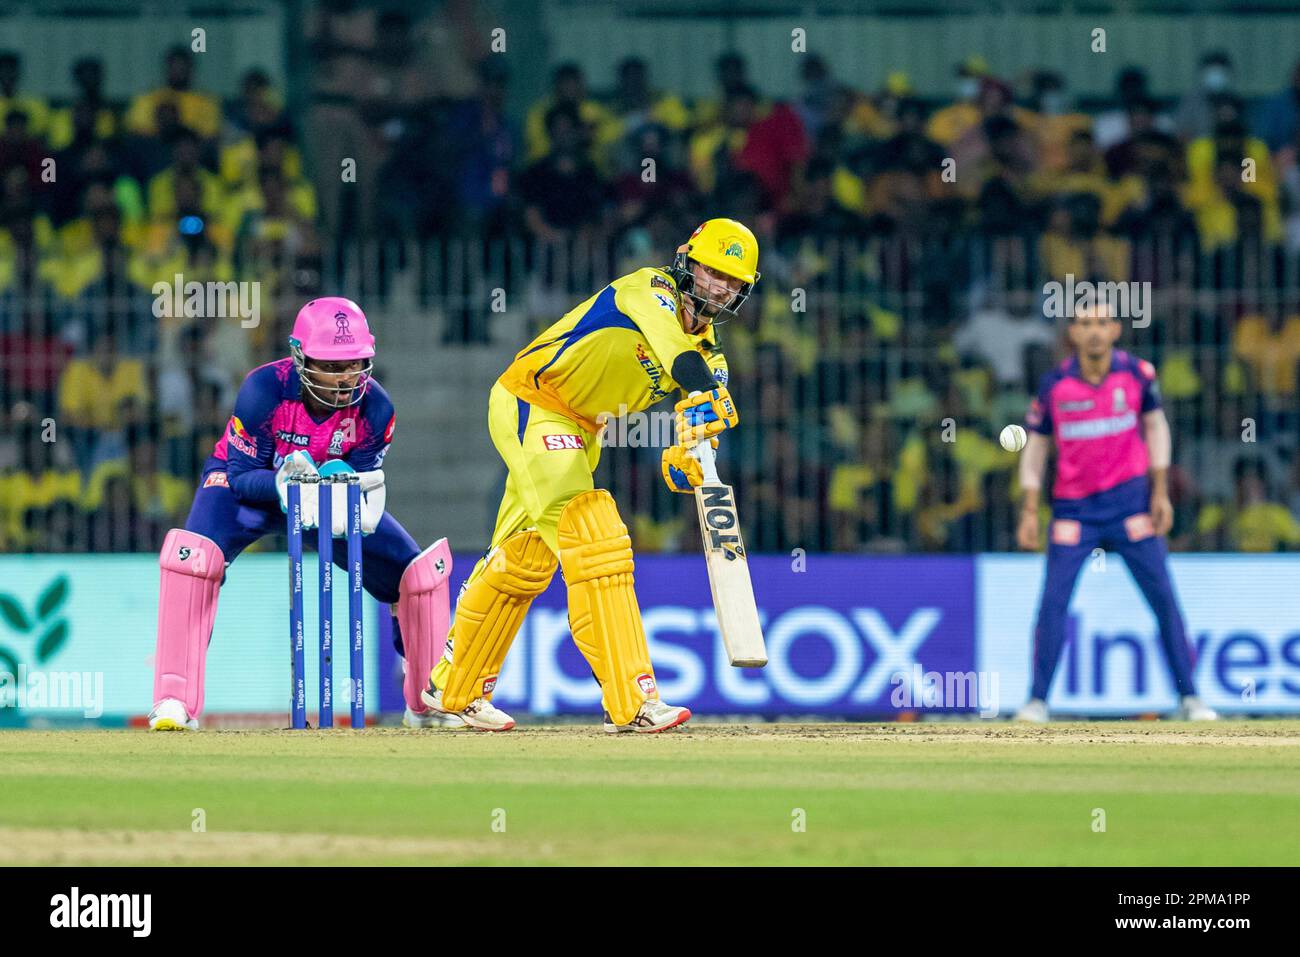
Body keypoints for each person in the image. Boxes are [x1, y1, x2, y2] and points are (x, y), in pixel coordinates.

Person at [421, 218, 758, 733]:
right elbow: (680, 360)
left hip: (583, 431)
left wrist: (689, 451)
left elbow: (693, 419)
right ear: (687, 260)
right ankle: (633, 701)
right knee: (595, 537)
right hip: (532, 402)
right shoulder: (648, 290)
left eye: (734, 282)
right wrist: (702, 392)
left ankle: (453, 687)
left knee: (525, 559)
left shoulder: (711, 355)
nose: (720, 287)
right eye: (714, 271)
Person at [148, 298, 457, 731]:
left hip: (325, 495)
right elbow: (239, 476)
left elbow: (364, 481)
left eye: (355, 363)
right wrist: (281, 483)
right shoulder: (264, 389)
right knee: (192, 561)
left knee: (416, 577)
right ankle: (173, 701)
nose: (345, 377)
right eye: (331, 366)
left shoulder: (377, 409)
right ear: (299, 357)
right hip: (253, 486)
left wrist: (342, 494)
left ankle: (428, 699)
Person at [1015, 302, 1216, 722]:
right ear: (1072, 332)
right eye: (1085, 323)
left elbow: (1156, 428)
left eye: (1102, 323)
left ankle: (1191, 698)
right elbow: (1035, 448)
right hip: (1073, 510)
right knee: (1053, 603)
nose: (1094, 332)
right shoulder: (1054, 385)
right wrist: (1030, 509)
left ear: (1115, 330)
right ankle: (1037, 701)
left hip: (1131, 505)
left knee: (1163, 599)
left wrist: (1160, 493)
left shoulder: (1137, 374)